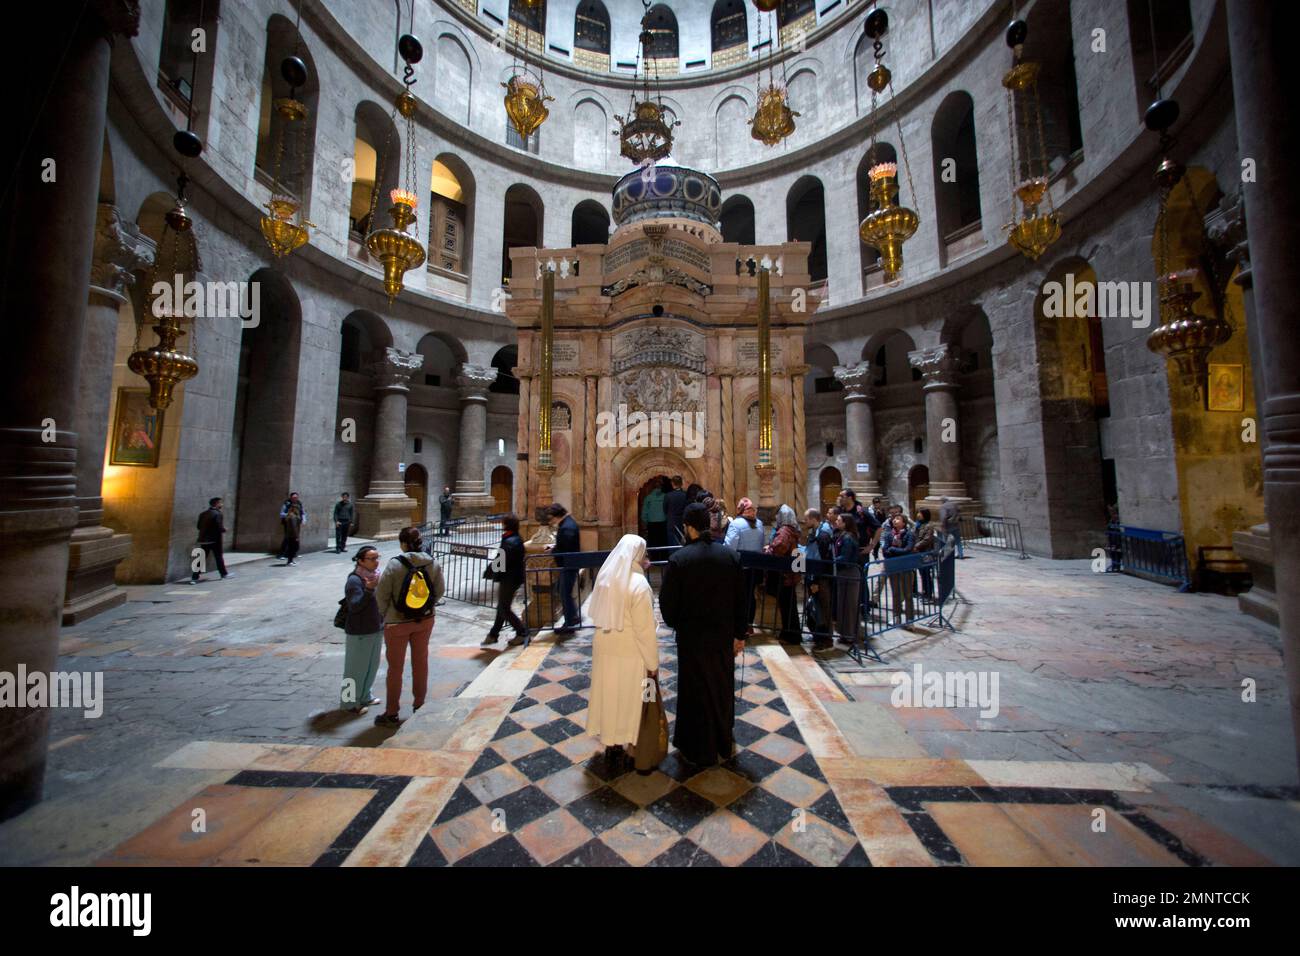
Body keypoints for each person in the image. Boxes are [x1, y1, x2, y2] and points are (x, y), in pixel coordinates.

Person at [659, 503, 747, 767]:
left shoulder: (679, 560)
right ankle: (722, 740)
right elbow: (741, 601)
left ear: (688, 527)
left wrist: (679, 623)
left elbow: (668, 608)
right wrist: (739, 634)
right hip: (723, 639)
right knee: (721, 688)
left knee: (694, 690)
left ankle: (696, 746)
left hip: (692, 640)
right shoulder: (730, 557)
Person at [586, 534, 658, 774]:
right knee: (629, 699)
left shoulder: (606, 578)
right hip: (629, 651)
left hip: (604, 647)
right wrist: (653, 664)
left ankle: (611, 744)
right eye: (645, 553)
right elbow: (645, 631)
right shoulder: (639, 585)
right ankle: (631, 748)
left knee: (609, 695)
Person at [374, 526, 445, 727]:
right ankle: (419, 704)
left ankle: (392, 712)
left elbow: (381, 595)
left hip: (397, 622)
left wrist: (388, 613)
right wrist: (424, 607)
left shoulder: (394, 565)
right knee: (421, 663)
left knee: (395, 668)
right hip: (424, 620)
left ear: (403, 543)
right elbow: (439, 591)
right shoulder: (432, 563)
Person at [341, 545, 384, 714]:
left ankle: (365, 695)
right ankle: (348, 703)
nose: (376, 562)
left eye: (377, 557)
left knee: (371, 666)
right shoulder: (354, 580)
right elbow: (355, 605)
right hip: (359, 632)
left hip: (375, 628)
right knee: (353, 670)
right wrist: (369, 589)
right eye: (372, 559)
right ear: (360, 561)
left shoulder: (375, 577)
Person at [482, 513, 529, 647]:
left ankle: (522, 632)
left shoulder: (510, 541)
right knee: (502, 607)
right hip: (512, 577)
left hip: (510, 578)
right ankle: (493, 634)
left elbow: (501, 561)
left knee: (504, 608)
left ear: (506, 525)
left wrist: (490, 571)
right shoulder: (514, 538)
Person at [764, 504, 802, 645]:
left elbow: (779, 548)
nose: (776, 518)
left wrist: (768, 549)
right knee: (789, 605)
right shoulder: (794, 530)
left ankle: (791, 635)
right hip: (791, 573)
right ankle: (790, 633)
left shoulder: (785, 531)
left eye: (778, 515)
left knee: (787, 606)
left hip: (785, 575)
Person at [724, 497, 765, 625]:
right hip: (755, 566)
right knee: (750, 596)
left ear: (740, 509)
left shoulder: (736, 524)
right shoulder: (759, 523)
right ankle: (749, 624)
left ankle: (740, 625)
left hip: (740, 568)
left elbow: (730, 547)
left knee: (739, 597)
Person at [545, 502, 583, 633]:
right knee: (562, 591)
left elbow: (566, 549)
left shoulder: (567, 527)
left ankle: (570, 622)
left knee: (564, 592)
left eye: (551, 518)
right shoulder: (568, 523)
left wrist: (553, 551)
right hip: (569, 564)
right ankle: (573, 617)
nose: (551, 522)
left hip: (569, 564)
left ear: (556, 516)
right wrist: (555, 548)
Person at [803, 508, 835, 650]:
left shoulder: (822, 535)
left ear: (813, 519)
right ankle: (818, 635)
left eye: (806, 519)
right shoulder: (816, 533)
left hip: (821, 578)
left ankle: (826, 639)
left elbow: (821, 560)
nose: (805, 522)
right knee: (816, 607)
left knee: (823, 607)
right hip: (815, 576)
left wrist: (815, 581)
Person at [832, 511, 863, 646]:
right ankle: (845, 633)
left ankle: (850, 634)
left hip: (849, 573)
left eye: (839, 520)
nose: (836, 522)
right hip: (843, 572)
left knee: (849, 605)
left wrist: (831, 560)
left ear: (845, 523)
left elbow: (845, 557)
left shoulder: (849, 538)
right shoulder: (843, 535)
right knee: (843, 604)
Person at [881, 514, 917, 624]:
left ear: (904, 523)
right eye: (894, 519)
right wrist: (894, 551)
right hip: (894, 567)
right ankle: (896, 616)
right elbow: (885, 551)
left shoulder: (909, 534)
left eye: (898, 519)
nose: (895, 521)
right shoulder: (888, 535)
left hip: (906, 567)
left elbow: (908, 549)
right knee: (895, 593)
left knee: (908, 594)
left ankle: (910, 619)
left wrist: (893, 549)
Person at [191, 497, 230, 584]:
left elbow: (198, 527)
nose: (222, 505)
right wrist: (224, 529)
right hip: (215, 539)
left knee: (202, 558)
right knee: (218, 557)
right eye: (220, 503)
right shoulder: (218, 514)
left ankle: (194, 576)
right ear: (216, 504)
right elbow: (219, 527)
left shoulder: (203, 514)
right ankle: (223, 574)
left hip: (204, 539)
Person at [913, 508, 938, 600]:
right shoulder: (917, 525)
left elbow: (927, 539)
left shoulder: (929, 526)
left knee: (926, 574)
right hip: (918, 553)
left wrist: (916, 546)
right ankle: (924, 592)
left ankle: (928, 594)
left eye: (920, 513)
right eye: (918, 513)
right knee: (922, 574)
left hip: (926, 553)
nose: (918, 515)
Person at [278, 492, 306, 565]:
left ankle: (292, 556)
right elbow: (281, 514)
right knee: (290, 541)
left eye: (296, 497)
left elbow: (303, 513)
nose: (295, 499)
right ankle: (285, 555)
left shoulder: (299, 504)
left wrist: (303, 519)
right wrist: (296, 535)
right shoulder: (287, 505)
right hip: (289, 527)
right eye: (294, 497)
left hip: (296, 527)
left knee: (294, 543)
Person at [641, 478, 667, 548]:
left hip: (651, 523)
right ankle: (663, 557)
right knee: (663, 542)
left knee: (653, 543)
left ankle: (654, 557)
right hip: (663, 523)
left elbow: (644, 513)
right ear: (661, 487)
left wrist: (646, 523)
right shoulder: (665, 496)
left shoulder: (648, 498)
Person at [664, 475, 688, 546]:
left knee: (672, 544)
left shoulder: (668, 496)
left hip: (671, 522)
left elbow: (665, 509)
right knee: (683, 542)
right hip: (683, 522)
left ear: (672, 483)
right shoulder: (685, 495)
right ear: (681, 483)